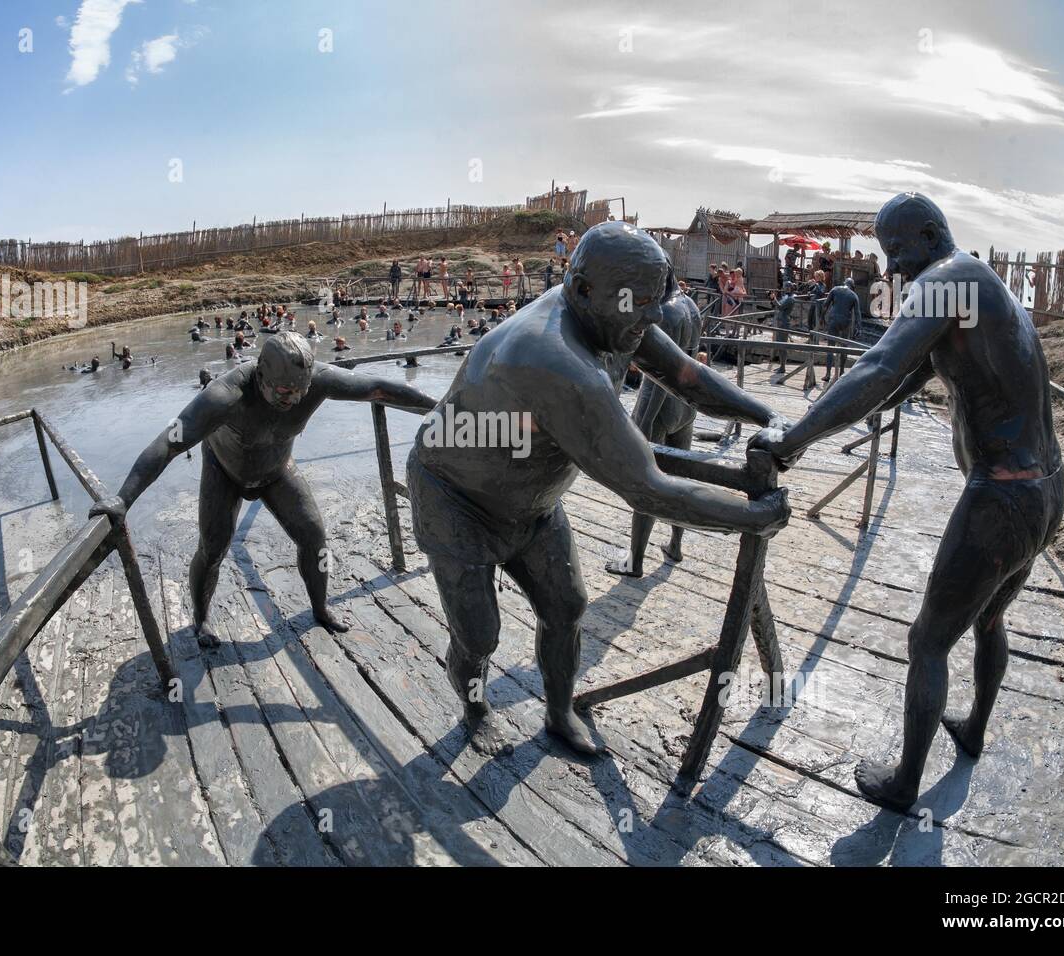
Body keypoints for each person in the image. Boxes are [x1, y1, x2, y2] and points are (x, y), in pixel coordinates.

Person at [407, 222, 791, 757]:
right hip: (456, 500)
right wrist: (755, 517)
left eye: (659, 302)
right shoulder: (550, 358)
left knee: (566, 608)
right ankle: (475, 707)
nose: (654, 318)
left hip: (534, 502)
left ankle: (559, 711)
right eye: (643, 304)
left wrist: (768, 415)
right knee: (479, 635)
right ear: (581, 289)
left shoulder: (620, 315)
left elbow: (685, 378)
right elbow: (649, 491)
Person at [751, 193, 1064, 812]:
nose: (891, 269)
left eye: (896, 252)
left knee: (927, 642)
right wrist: (837, 411)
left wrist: (791, 441)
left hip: (1002, 497)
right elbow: (896, 384)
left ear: (929, 234)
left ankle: (904, 785)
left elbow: (877, 366)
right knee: (989, 617)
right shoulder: (979, 286)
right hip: (1046, 490)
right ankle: (973, 728)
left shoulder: (947, 280)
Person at [91, 331, 438, 644]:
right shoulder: (224, 396)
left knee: (314, 536)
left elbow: (380, 388)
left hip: (276, 469)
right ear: (261, 375)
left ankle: (320, 608)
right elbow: (167, 444)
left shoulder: (317, 381)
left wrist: (440, 410)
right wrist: (123, 498)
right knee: (213, 549)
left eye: (299, 393)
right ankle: (201, 620)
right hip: (225, 471)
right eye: (284, 392)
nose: (292, 400)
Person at [604, 284, 715, 577]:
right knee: (680, 477)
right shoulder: (690, 305)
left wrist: (641, 426)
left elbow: (657, 378)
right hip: (686, 407)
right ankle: (676, 544)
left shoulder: (664, 312)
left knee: (647, 485)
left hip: (661, 409)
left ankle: (636, 559)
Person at [822, 277, 861, 381]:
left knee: (830, 347)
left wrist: (822, 318)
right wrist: (859, 328)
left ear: (844, 283)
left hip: (833, 320)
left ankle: (828, 374)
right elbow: (857, 314)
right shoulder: (854, 295)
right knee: (844, 347)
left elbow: (825, 305)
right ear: (852, 286)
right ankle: (842, 372)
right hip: (845, 322)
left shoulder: (835, 289)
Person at [769, 282, 796, 375]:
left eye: (787, 287)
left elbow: (780, 307)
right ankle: (781, 365)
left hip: (784, 323)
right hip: (780, 321)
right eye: (785, 287)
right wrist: (773, 299)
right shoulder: (785, 297)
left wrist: (774, 298)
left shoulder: (791, 299)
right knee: (779, 345)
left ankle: (783, 367)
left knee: (783, 346)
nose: (785, 288)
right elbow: (777, 305)